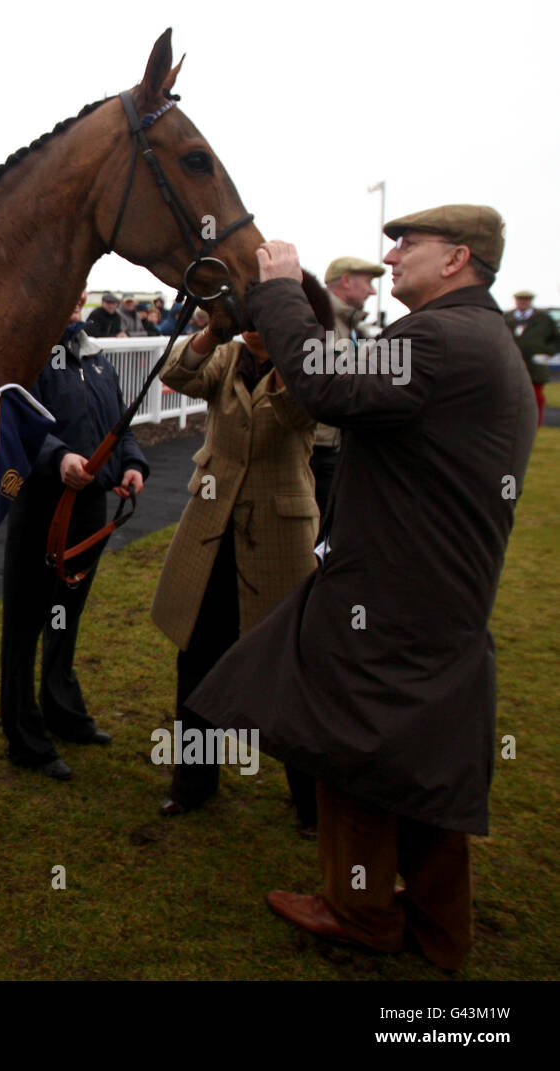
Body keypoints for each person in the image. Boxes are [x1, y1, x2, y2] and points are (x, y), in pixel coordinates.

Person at [185, 206, 535, 971]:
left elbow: (327, 385)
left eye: (412, 242)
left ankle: (359, 909)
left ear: (459, 260)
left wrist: (278, 289)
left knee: (348, 742)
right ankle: (441, 928)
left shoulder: (439, 338)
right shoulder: (482, 338)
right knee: (421, 759)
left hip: (392, 590)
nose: (396, 251)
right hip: (437, 591)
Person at [151, 274, 332, 831]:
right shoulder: (228, 359)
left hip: (278, 533)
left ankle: (310, 800)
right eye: (250, 316)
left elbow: (297, 415)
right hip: (212, 526)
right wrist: (213, 329)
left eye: (265, 317)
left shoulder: (314, 366)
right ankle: (194, 781)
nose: (254, 329)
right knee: (198, 658)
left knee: (287, 670)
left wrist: (284, 348)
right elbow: (177, 374)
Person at [0, 290, 148, 781]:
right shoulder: (31, 354)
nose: (76, 297)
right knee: (24, 626)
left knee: (65, 616)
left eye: (81, 290)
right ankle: (24, 737)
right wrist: (59, 457)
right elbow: (16, 425)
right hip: (43, 506)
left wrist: (131, 464)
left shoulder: (96, 359)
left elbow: (120, 427)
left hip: (90, 509)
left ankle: (62, 711)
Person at [316, 256, 385, 520]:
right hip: (316, 447)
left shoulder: (345, 322)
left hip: (330, 442)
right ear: (346, 281)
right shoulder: (322, 320)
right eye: (367, 282)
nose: (372, 290)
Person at [505, 289, 557, 426]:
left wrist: (547, 353)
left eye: (526, 300)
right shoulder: (506, 318)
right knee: (509, 396)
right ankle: (512, 425)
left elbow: (557, 339)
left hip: (535, 365)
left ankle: (535, 425)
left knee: (536, 397)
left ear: (530, 301)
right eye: (520, 300)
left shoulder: (544, 319)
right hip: (510, 364)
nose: (523, 303)